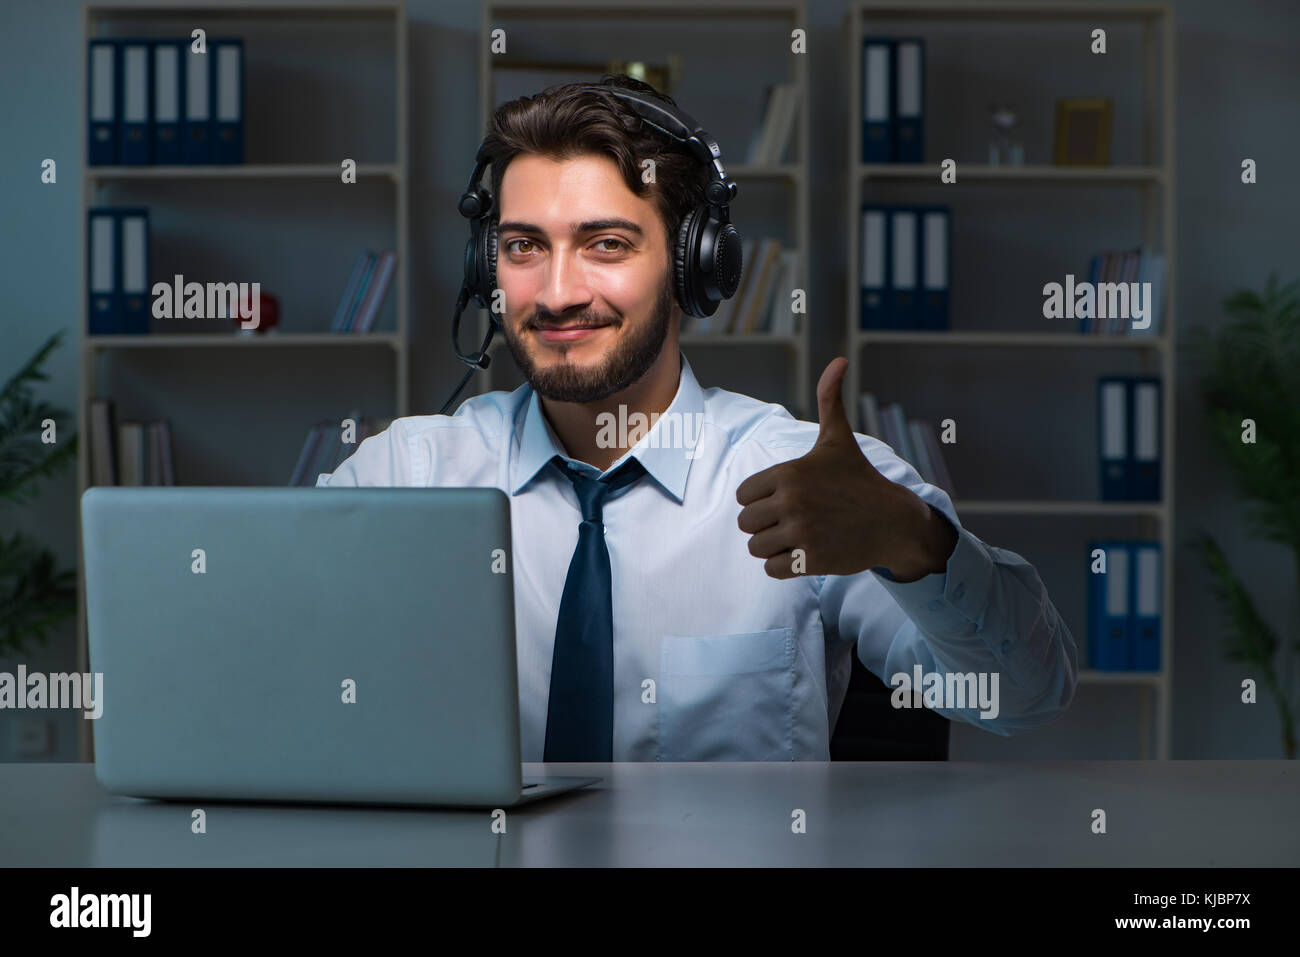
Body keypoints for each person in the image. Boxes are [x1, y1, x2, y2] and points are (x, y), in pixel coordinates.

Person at [318, 76, 1077, 761]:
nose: (556, 293)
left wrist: (914, 539)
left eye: (605, 244)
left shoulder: (813, 478)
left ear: (695, 266)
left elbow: (1027, 696)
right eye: (523, 246)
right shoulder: (406, 476)